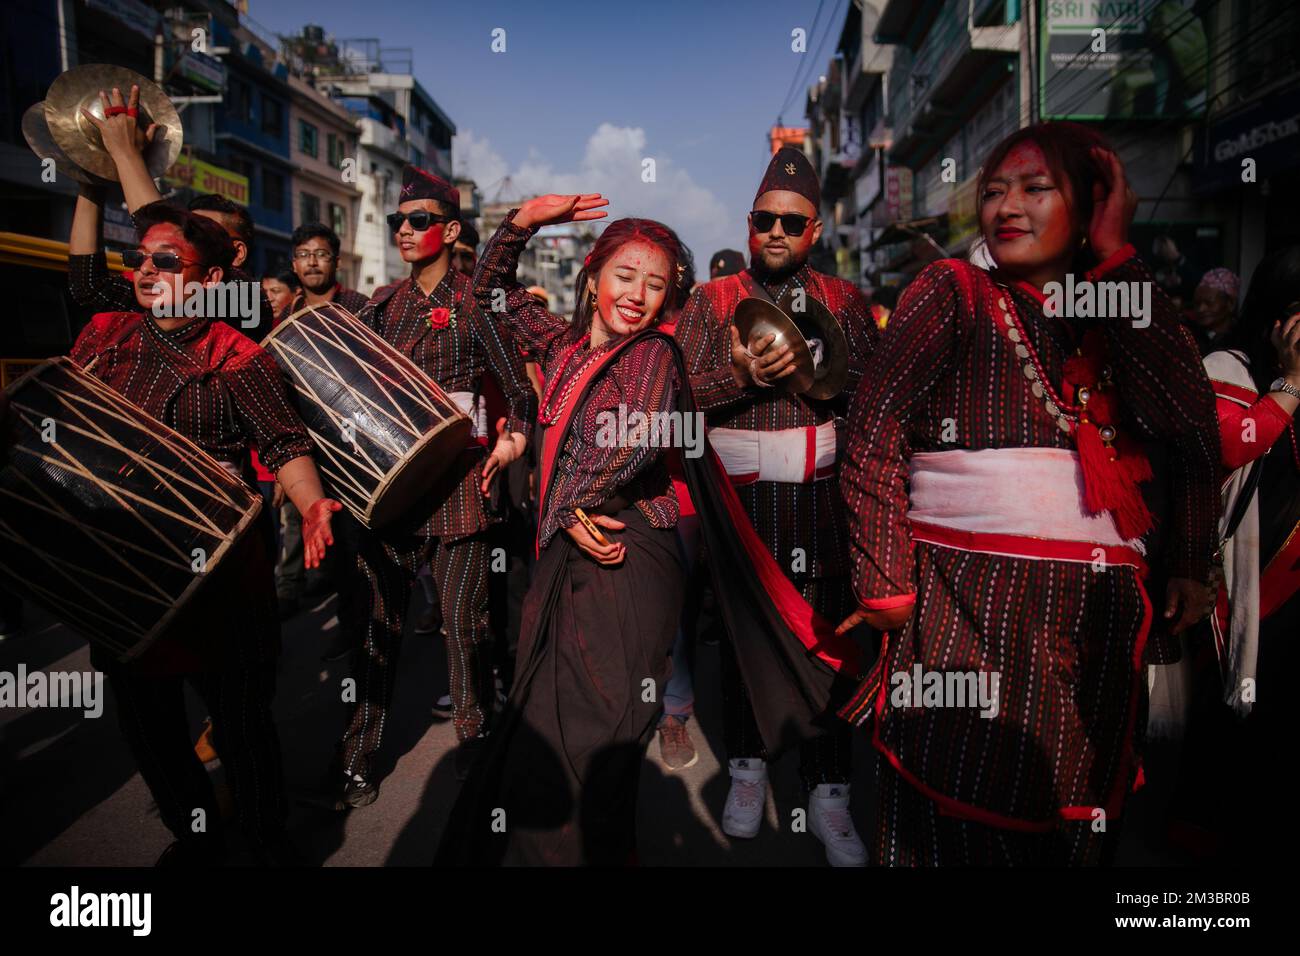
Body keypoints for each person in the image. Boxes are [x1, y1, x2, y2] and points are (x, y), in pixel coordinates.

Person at [836, 121, 1219, 865]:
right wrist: (886, 584)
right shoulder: (954, 292)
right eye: (994, 192)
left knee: (1072, 818)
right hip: (966, 609)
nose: (1007, 206)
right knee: (954, 811)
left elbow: (1189, 426)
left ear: (1094, 205)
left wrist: (1116, 256)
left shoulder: (1114, 307)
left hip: (1096, 629)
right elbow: (875, 424)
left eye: (1036, 189)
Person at [56, 86, 343, 864]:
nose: (146, 271)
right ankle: (196, 833)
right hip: (126, 570)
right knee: (148, 729)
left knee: (242, 724)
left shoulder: (238, 355)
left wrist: (312, 506)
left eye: (166, 261)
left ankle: (261, 837)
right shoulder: (106, 334)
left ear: (213, 281)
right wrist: (102, 165)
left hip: (220, 576)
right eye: (139, 260)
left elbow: (284, 444)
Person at [436, 194, 693, 865]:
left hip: (622, 554)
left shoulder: (653, 355)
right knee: (543, 730)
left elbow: (628, 442)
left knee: (597, 734)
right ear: (592, 277)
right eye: (625, 275)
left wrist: (562, 510)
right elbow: (485, 295)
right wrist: (522, 223)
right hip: (569, 543)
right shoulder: (564, 345)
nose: (637, 294)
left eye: (656, 282)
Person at [672, 146, 877, 866]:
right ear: (750, 224)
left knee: (831, 647)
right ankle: (748, 772)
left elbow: (875, 403)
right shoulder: (711, 300)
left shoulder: (846, 301)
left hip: (824, 512)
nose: (777, 232)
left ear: (816, 229)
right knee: (740, 646)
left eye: (793, 221)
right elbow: (676, 401)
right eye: (765, 220)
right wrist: (737, 376)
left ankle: (829, 795)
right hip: (743, 514)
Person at [331, 164, 535, 805]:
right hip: (388, 490)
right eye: (398, 222)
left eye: (418, 221)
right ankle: (357, 755)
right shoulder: (378, 307)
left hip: (459, 481)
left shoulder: (476, 302)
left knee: (464, 625)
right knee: (375, 625)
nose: (404, 231)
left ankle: (474, 741)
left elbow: (522, 391)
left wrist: (513, 440)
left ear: (448, 231)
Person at [1153, 246, 1300, 861]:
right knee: (1233, 728)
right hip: (1242, 587)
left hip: (1291, 580)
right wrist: (1291, 382)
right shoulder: (1230, 366)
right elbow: (1228, 446)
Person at [280, 222, 369, 320]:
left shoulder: (360, 306)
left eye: (321, 254)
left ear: (337, 263)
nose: (312, 262)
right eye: (303, 255)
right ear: (294, 265)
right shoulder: (289, 313)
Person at [1187, 267, 1240, 355]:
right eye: (1197, 303)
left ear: (1231, 304)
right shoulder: (1189, 337)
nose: (1201, 309)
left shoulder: (1241, 340)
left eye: (1209, 303)